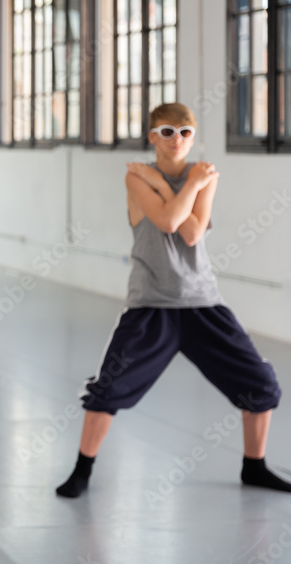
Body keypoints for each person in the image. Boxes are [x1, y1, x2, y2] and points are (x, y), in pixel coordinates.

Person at [56, 102, 290, 498]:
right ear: (152, 137)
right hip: (151, 305)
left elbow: (193, 232)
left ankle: (255, 466)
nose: (176, 140)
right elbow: (167, 222)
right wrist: (178, 186)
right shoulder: (136, 179)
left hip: (202, 303)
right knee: (107, 390)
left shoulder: (203, 177)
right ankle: (82, 470)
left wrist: (176, 185)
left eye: (185, 133)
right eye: (167, 132)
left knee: (261, 384)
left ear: (193, 138)